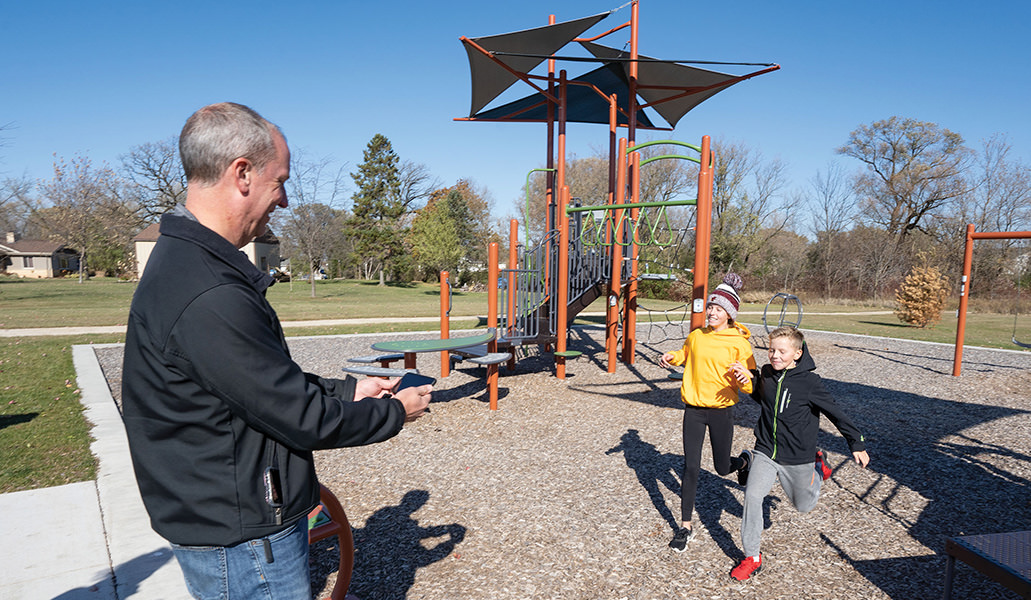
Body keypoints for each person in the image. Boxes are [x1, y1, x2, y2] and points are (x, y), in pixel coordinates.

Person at [121, 102, 432, 599]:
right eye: (279, 181)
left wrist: (352, 390)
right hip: (241, 536)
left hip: (227, 514)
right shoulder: (209, 294)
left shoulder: (191, 264)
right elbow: (301, 418)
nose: (284, 200)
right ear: (241, 173)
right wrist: (394, 412)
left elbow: (257, 385)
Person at [728, 326, 870, 581]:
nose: (774, 355)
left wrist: (856, 442)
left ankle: (818, 464)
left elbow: (835, 412)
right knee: (752, 495)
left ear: (797, 353)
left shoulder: (810, 383)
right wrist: (748, 382)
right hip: (765, 451)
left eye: (782, 351)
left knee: (804, 506)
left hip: (797, 456)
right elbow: (763, 398)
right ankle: (752, 557)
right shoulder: (768, 374)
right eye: (771, 350)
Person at [658, 273, 756, 551]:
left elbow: (751, 383)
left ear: (730, 314)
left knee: (722, 467)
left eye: (718, 308)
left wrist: (743, 378)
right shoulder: (696, 336)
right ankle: (685, 526)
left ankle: (743, 463)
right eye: (710, 307)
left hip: (721, 411)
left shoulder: (740, 343)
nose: (711, 312)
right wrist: (671, 357)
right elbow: (685, 354)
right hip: (694, 410)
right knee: (690, 466)